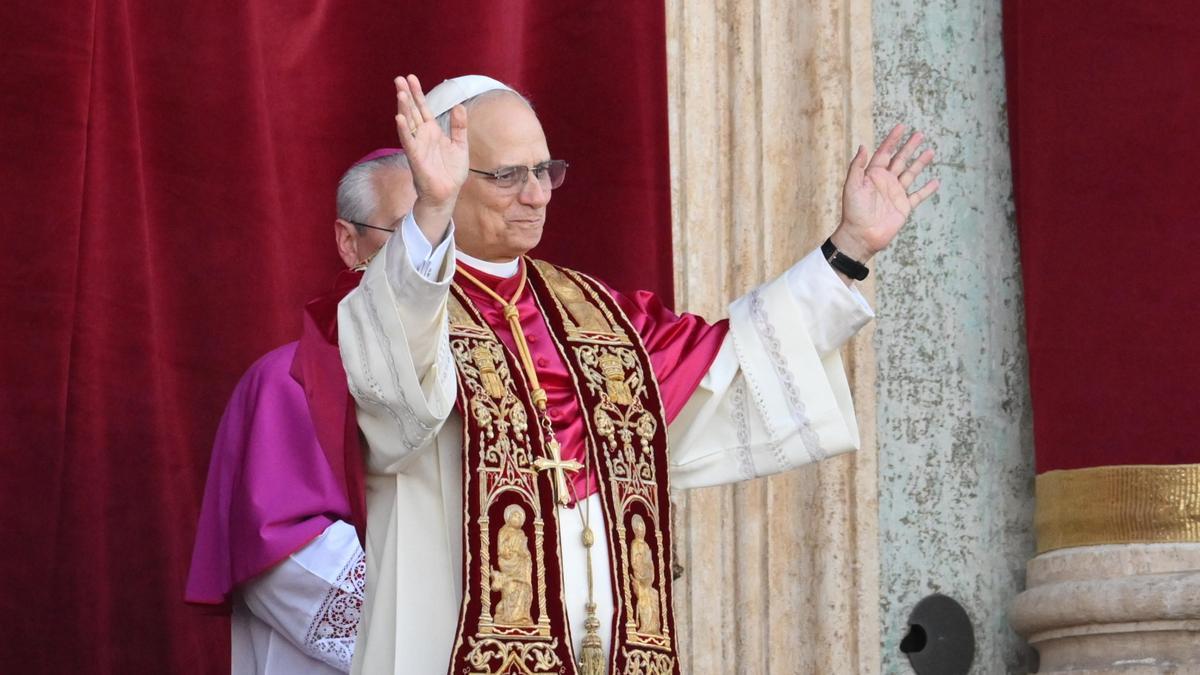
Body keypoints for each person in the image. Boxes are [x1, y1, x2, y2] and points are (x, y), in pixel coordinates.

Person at [338, 74, 939, 674]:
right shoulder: (404, 300)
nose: (537, 194)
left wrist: (849, 249)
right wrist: (432, 211)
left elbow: (733, 363)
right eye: (508, 176)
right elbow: (395, 393)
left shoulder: (597, 314)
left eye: (545, 170)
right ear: (445, 177)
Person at [185, 150, 416, 674]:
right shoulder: (289, 381)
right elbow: (285, 557)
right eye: (407, 230)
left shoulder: (494, 374)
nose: (430, 255)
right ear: (348, 241)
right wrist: (438, 624)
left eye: (444, 233)